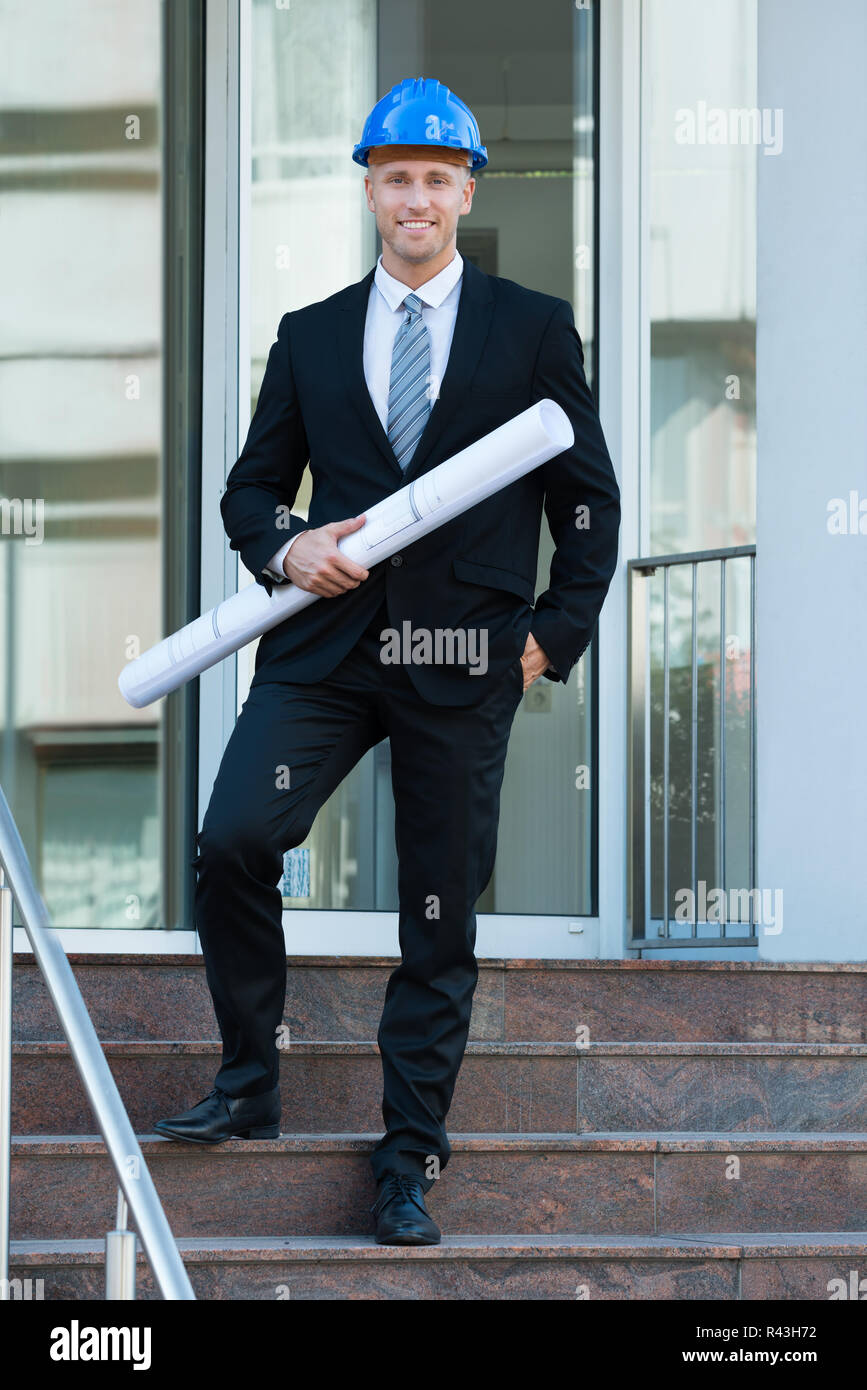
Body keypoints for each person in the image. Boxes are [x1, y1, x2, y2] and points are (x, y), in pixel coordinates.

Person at [155, 77, 621, 1246]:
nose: (416, 196)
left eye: (435, 178)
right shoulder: (309, 336)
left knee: (435, 915)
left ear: (465, 190)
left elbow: (588, 501)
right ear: (370, 189)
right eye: (395, 177)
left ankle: (408, 1154)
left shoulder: (533, 328)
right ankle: (249, 1076)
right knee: (233, 840)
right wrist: (283, 545)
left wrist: (551, 633)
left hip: (464, 656)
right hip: (321, 654)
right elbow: (250, 490)